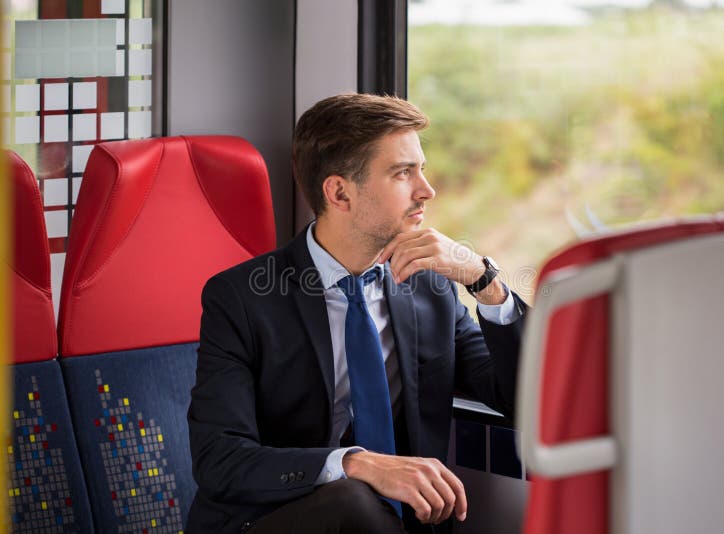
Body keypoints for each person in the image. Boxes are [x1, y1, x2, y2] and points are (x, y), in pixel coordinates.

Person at [186, 93, 527, 534]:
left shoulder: (430, 285)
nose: (427, 190)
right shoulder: (241, 298)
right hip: (273, 520)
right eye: (403, 173)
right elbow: (221, 459)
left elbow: (522, 399)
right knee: (351, 500)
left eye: (421, 169)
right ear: (340, 192)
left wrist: (485, 282)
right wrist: (354, 464)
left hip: (402, 523)